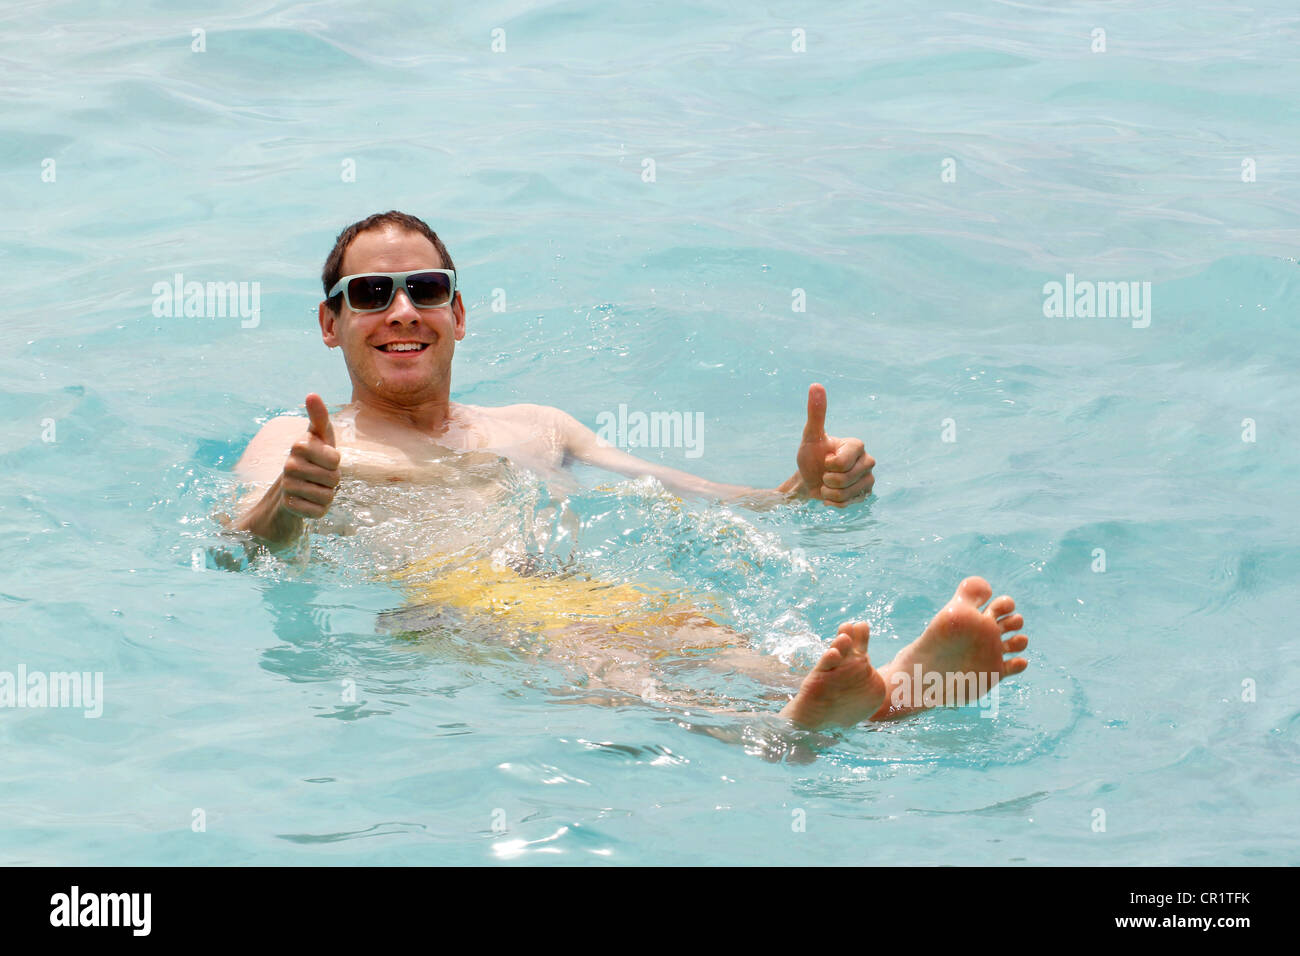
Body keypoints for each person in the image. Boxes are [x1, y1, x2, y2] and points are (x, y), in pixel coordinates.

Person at [227, 210, 1029, 730]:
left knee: (694, 630)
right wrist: (288, 507)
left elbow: (704, 499)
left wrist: (805, 491)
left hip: (569, 586)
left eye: (425, 289)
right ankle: (793, 730)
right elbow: (238, 540)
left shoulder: (538, 427)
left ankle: (870, 699)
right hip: (438, 610)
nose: (402, 310)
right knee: (597, 653)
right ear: (331, 325)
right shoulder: (299, 437)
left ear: (458, 315)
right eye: (370, 293)